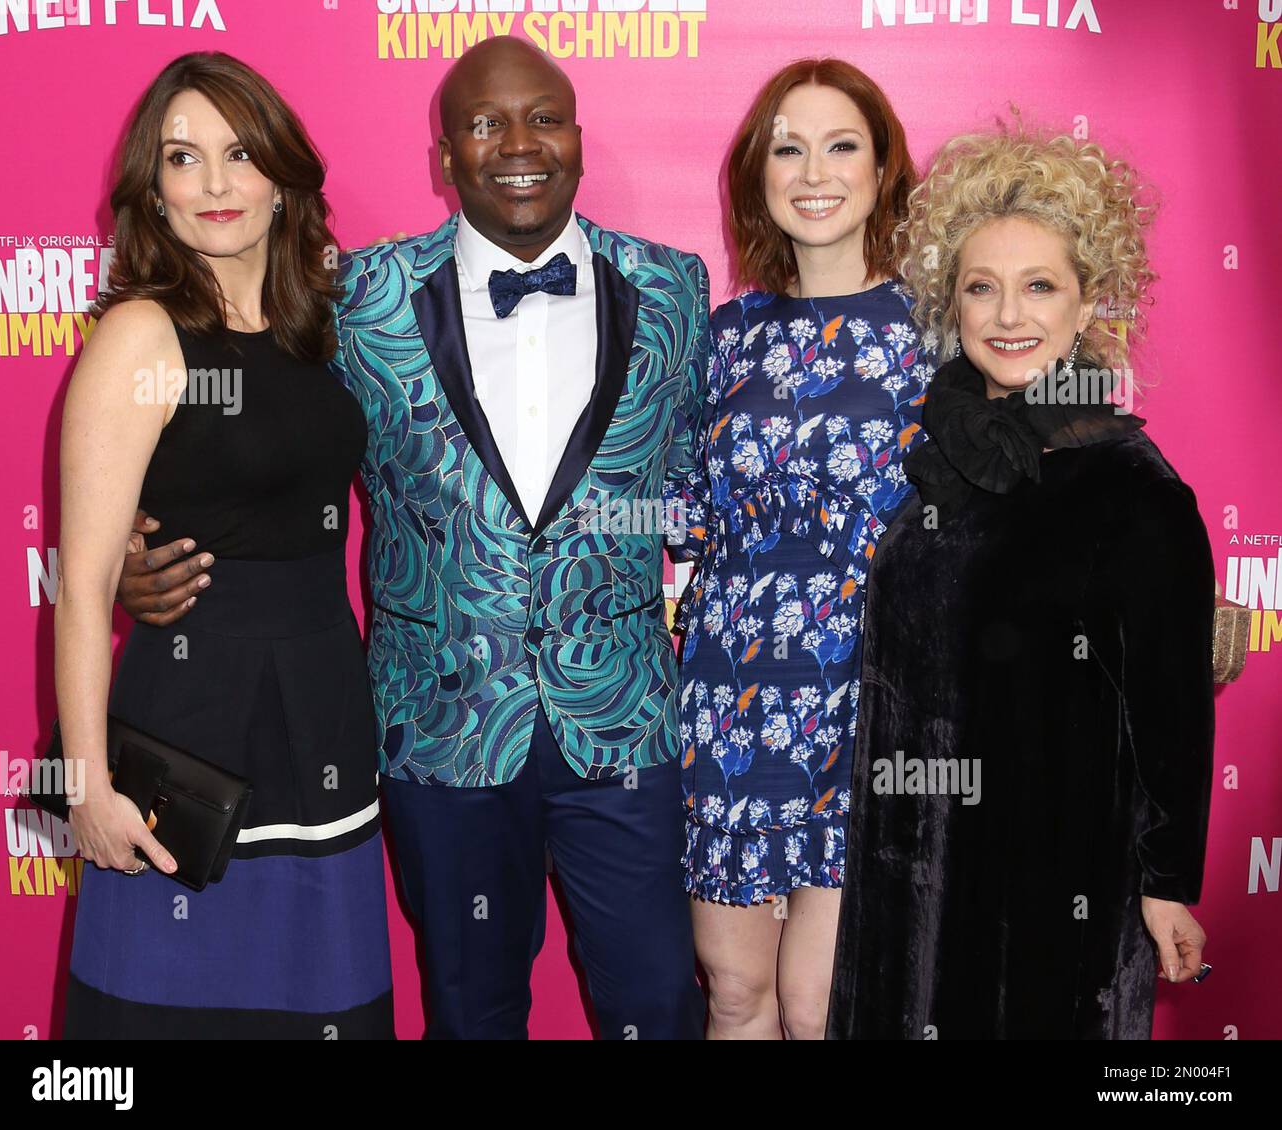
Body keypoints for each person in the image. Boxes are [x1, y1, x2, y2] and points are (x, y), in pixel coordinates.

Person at [121, 37, 709, 1040]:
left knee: (657, 1002)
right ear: (445, 157)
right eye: (484, 123)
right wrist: (146, 553)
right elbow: (267, 443)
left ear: (576, 137)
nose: (518, 143)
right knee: (469, 1009)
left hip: (624, 723)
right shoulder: (356, 295)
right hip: (438, 728)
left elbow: (694, 476)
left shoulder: (672, 286)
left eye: (544, 118)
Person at [825, 127, 1215, 1040]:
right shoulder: (943, 453)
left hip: (1050, 888)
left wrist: (1166, 886)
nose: (1009, 313)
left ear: (1085, 307)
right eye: (981, 286)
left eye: (1039, 285)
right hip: (908, 870)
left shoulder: (1131, 485)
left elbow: (1172, 709)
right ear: (950, 304)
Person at [57, 52, 393, 1039]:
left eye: (239, 153)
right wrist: (86, 784)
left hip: (322, 724)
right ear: (151, 193)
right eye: (182, 158)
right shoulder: (142, 335)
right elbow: (81, 587)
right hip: (192, 731)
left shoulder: (316, 330)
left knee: (318, 1007)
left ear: (283, 173)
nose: (213, 184)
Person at [670, 59, 933, 1039]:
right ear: (758, 171)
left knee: (823, 1005)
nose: (812, 171)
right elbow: (680, 513)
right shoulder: (722, 338)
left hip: (867, 702)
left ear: (881, 169)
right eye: (788, 146)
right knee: (736, 995)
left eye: (840, 145)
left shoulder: (936, 332)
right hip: (728, 698)